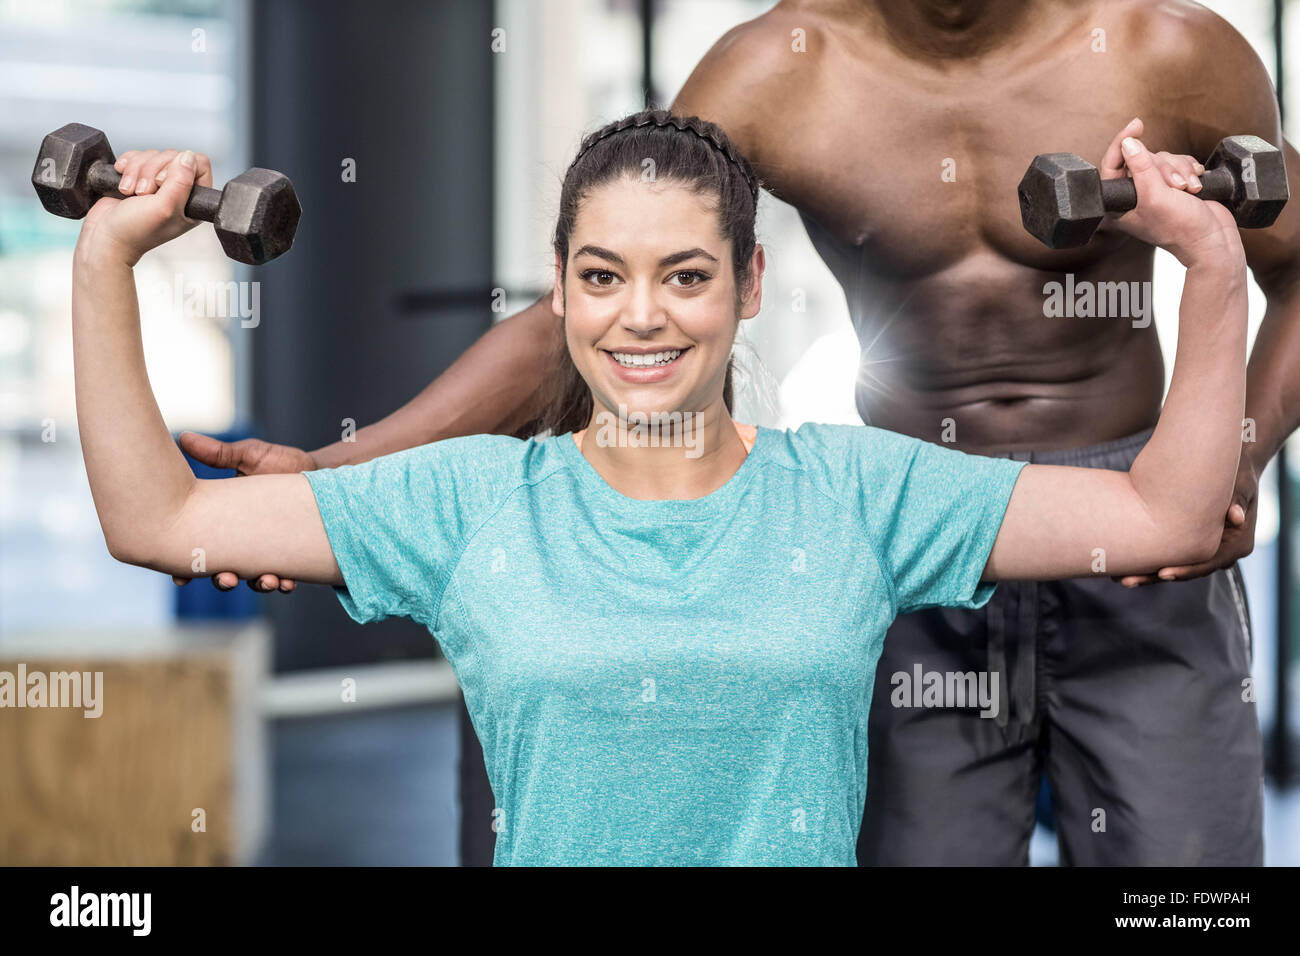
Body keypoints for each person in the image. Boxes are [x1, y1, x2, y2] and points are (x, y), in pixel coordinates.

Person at [170, 0, 1292, 866]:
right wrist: (337, 471)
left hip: (1132, 533)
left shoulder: (1169, 50)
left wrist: (1232, 453)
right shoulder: (779, 68)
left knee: (1181, 902)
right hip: (908, 543)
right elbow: (606, 291)